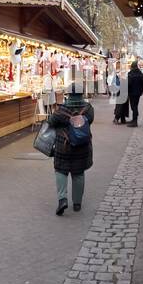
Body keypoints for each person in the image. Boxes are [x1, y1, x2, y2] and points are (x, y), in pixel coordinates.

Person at [47, 84, 94, 215]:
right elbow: (90, 121)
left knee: (61, 171)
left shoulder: (61, 110)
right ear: (81, 94)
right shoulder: (88, 109)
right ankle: (77, 203)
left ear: (69, 94)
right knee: (78, 173)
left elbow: (50, 122)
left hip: (63, 146)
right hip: (82, 146)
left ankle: (62, 199)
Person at [126, 61, 143, 126]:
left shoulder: (131, 74)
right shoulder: (141, 74)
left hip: (132, 93)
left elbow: (128, 84)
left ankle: (135, 121)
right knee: (135, 106)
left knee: (133, 107)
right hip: (138, 93)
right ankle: (134, 119)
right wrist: (142, 91)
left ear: (132, 67)